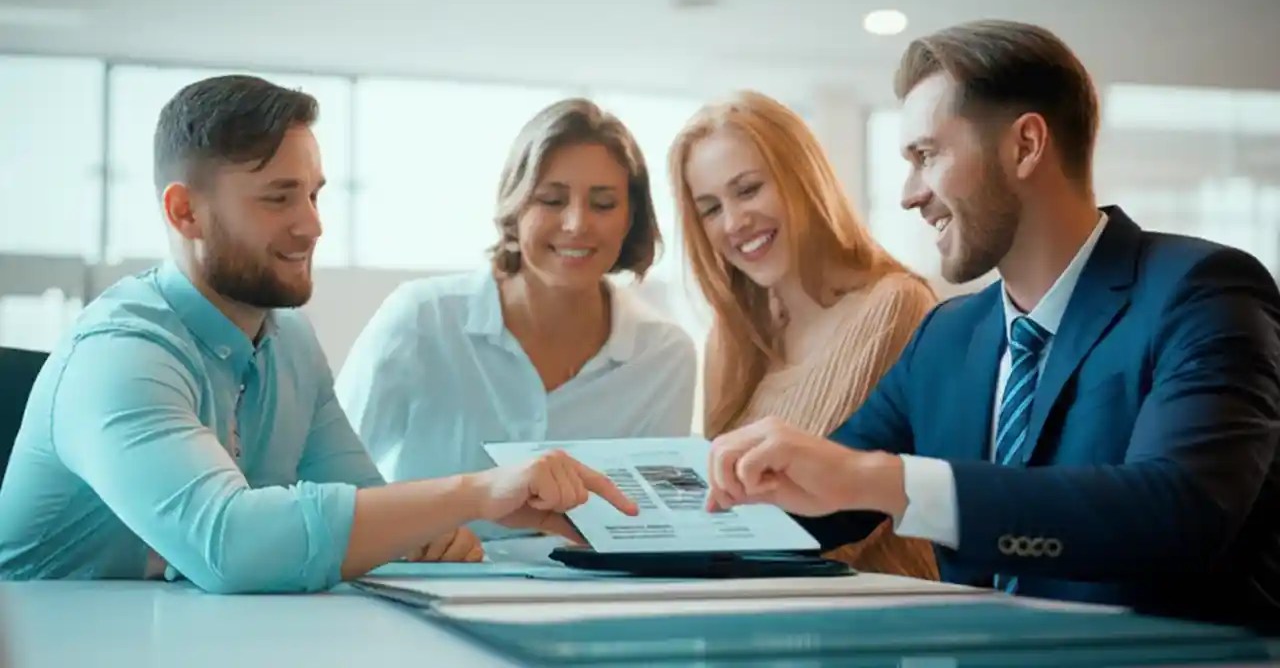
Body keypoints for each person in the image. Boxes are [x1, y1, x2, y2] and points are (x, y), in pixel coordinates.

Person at [705, 20, 1280, 624]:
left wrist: (888, 481)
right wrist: (629, 509)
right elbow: (815, 502)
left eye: (926, 155)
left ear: (1025, 145)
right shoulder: (948, 337)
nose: (909, 194)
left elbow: (1178, 512)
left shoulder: (1202, 291)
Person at [0, 76, 637, 592]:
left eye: (314, 195)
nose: (312, 226)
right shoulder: (119, 354)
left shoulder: (288, 341)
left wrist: (438, 525)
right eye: (279, 199)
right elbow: (231, 545)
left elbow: (361, 505)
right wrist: (473, 492)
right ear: (184, 211)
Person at [336, 98, 695, 537]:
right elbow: (329, 486)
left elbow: (655, 526)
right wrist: (415, 534)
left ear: (631, 219)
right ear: (515, 205)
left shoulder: (663, 356)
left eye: (603, 204)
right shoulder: (421, 319)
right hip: (424, 586)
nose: (576, 223)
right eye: (551, 199)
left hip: (590, 598)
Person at [668, 90, 938, 579]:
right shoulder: (731, 338)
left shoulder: (895, 305)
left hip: (878, 619)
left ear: (802, 179)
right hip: (762, 610)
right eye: (710, 208)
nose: (733, 222)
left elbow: (836, 520)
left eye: (748, 190)